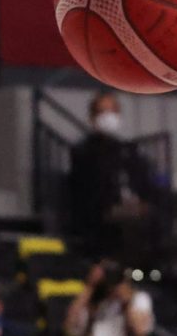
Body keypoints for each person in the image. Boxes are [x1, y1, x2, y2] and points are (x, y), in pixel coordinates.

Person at [68, 91, 162, 262]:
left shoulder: (128, 150)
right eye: (102, 112)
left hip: (132, 205)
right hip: (102, 211)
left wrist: (143, 202)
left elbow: (144, 180)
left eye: (113, 111)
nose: (108, 117)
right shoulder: (84, 151)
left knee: (157, 214)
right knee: (126, 223)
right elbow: (88, 190)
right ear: (92, 118)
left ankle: (145, 267)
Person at [63, 263, 158, 336]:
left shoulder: (138, 298)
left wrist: (124, 298)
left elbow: (139, 329)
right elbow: (70, 327)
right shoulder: (93, 303)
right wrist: (90, 286)